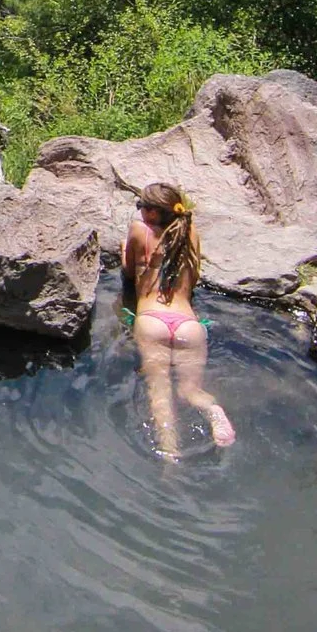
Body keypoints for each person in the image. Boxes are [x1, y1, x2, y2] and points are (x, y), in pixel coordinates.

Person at [122, 182, 235, 457]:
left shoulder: (138, 230)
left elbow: (129, 273)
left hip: (152, 321)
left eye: (141, 206)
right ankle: (213, 410)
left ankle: (169, 451)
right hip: (189, 325)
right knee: (190, 391)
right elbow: (193, 280)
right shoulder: (190, 232)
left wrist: (125, 251)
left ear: (151, 213)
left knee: (159, 391)